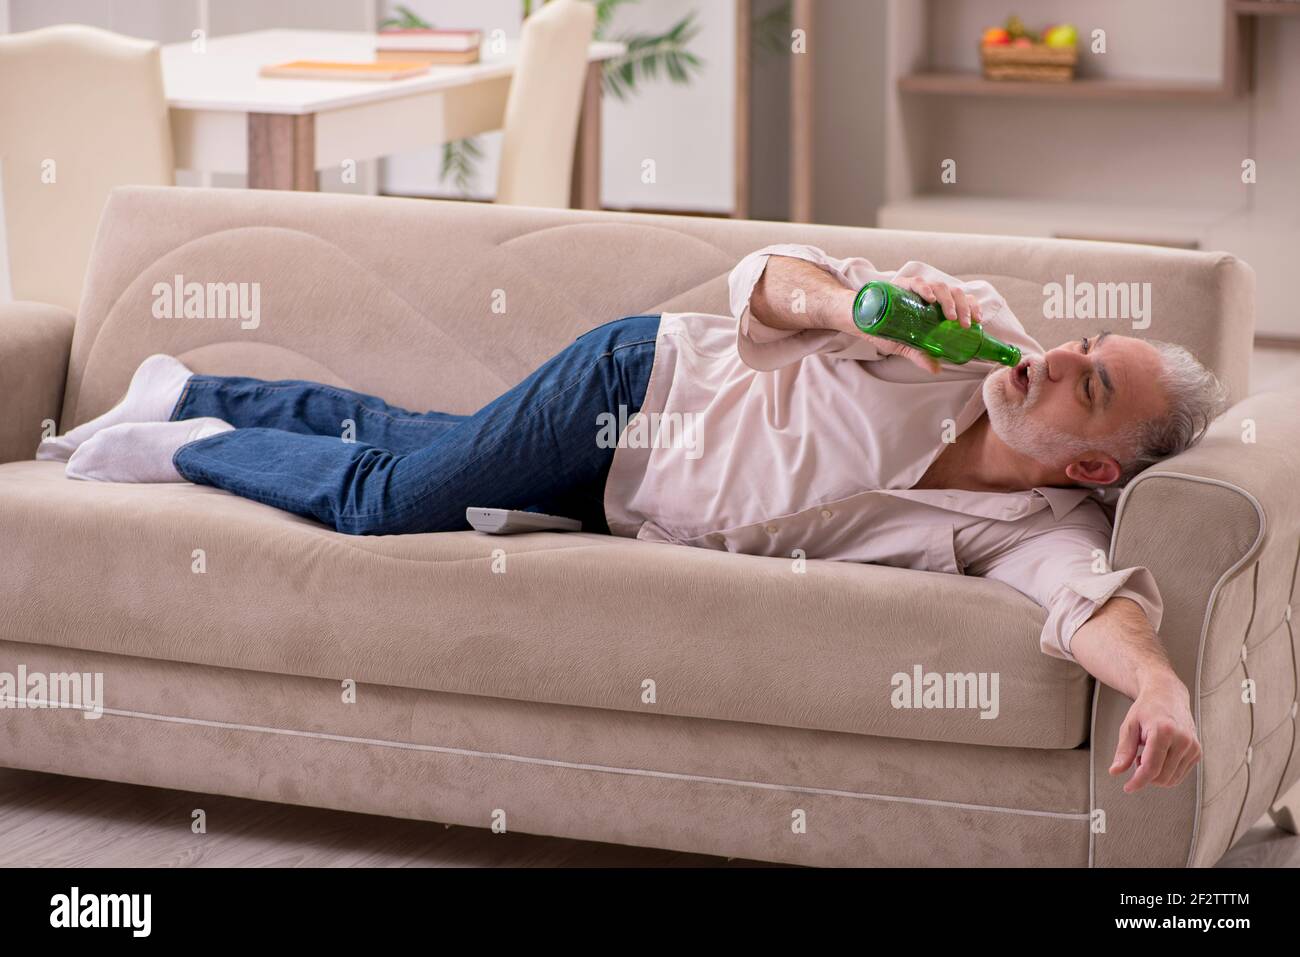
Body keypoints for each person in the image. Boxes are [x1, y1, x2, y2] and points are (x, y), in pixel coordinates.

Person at [37, 244, 1229, 794]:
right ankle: (190, 447)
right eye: (1080, 342)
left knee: (413, 439)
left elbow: (1094, 604)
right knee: (385, 501)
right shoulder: (956, 340)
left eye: (1088, 378)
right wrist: (853, 306)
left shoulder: (1023, 528)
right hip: (629, 384)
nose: (1055, 355)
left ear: (1087, 466)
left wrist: (1162, 689)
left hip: (620, 499)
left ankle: (188, 391)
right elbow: (765, 279)